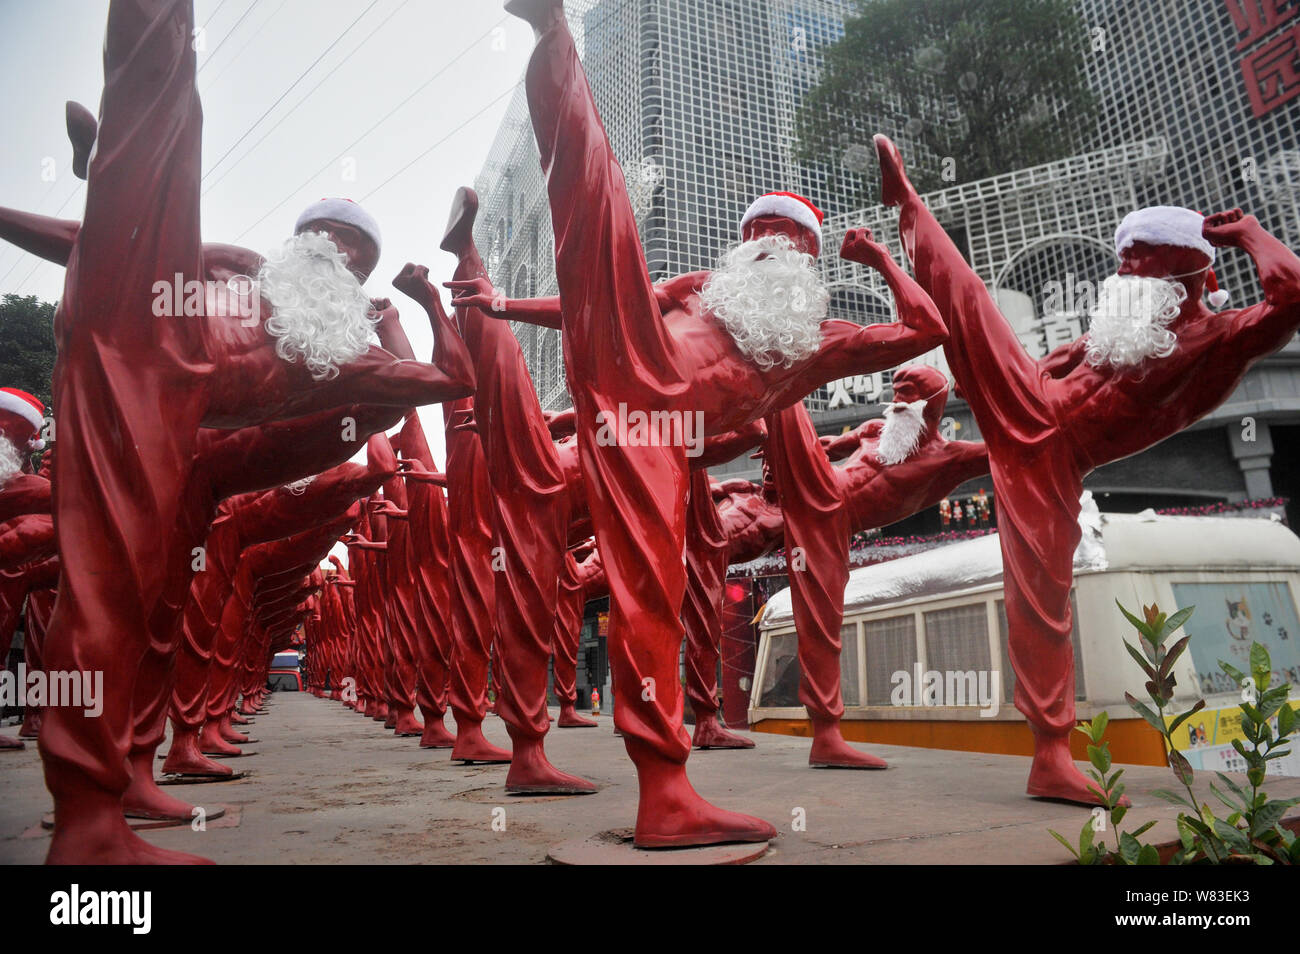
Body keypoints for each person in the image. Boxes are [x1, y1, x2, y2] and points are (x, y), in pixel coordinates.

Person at [476, 0, 946, 847]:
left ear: (808, 258)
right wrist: (505, 305)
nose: (769, 238)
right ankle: (553, 39)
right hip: (635, 370)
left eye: (787, 233)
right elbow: (596, 294)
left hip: (660, 439)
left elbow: (926, 333)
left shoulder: (818, 343)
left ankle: (663, 794)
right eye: (758, 230)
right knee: (601, 214)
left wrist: (882, 257)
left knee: (647, 596)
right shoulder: (701, 289)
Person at [876, 132, 1300, 803]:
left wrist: (1247, 231)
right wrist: (995, 402)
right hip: (1029, 415)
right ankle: (909, 217)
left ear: (1202, 278)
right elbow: (1043, 367)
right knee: (969, 314)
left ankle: (1051, 757)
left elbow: (1292, 296)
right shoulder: (1112, 332)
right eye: (1126, 270)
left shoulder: (1221, 339)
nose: (1131, 283)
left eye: (1150, 271)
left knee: (1039, 600)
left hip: (1061, 454)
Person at [763, 364, 988, 767]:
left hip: (833, 520)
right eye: (897, 392)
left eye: (910, 395)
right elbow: (826, 446)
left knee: (821, 625)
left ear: (935, 405)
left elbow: (1013, 444)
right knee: (782, 392)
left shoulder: (951, 457)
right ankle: (770, 366)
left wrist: (982, 391)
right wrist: (774, 459)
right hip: (819, 491)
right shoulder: (872, 430)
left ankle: (826, 738)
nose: (899, 401)